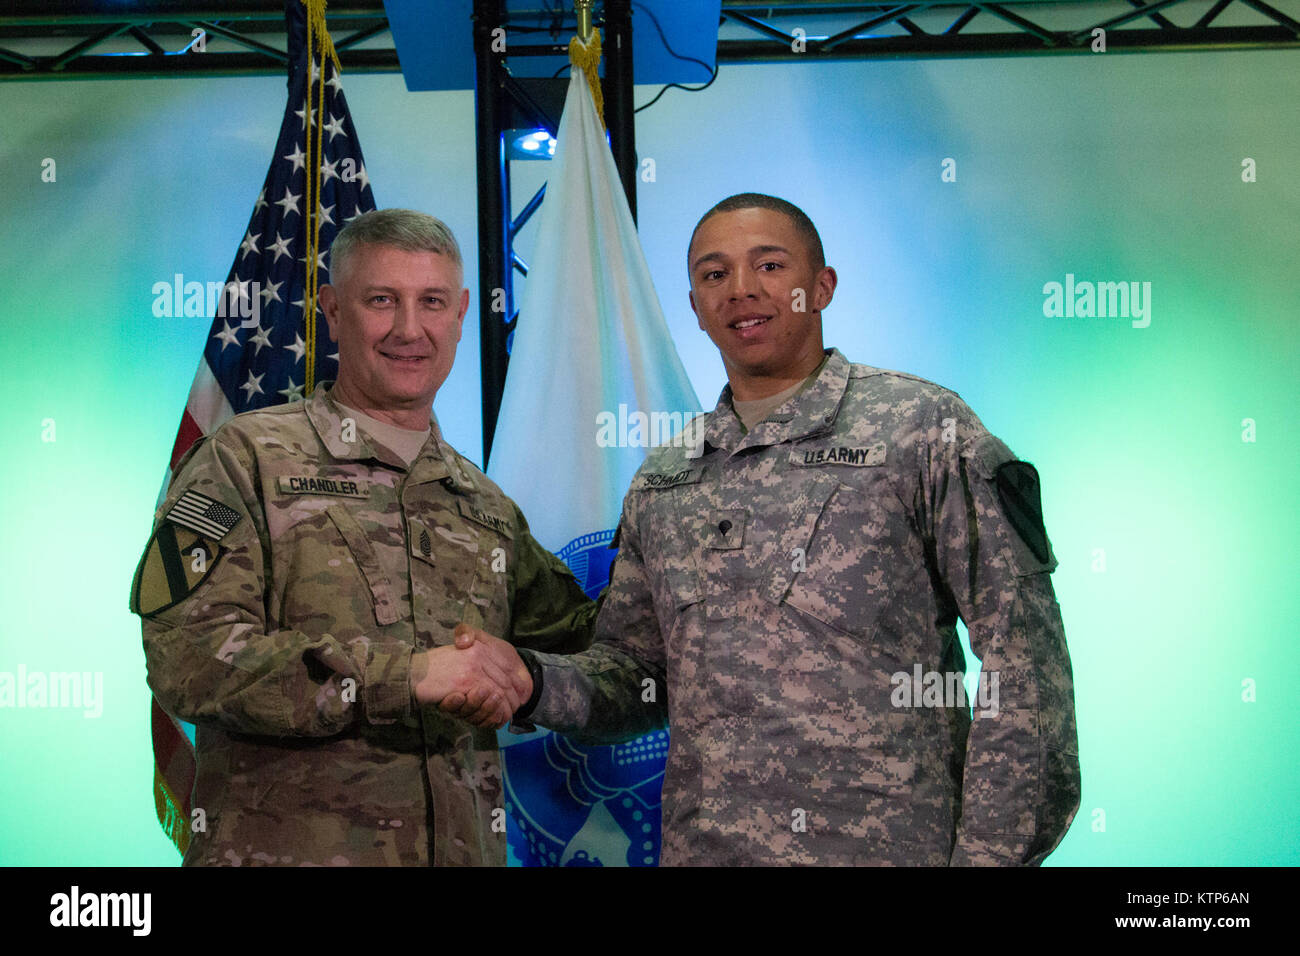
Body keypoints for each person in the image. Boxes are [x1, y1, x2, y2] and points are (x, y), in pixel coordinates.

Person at [453, 193, 1081, 866]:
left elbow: (1025, 662)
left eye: (770, 265)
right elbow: (640, 678)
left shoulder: (922, 429)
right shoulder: (667, 478)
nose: (742, 290)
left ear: (822, 286)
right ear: (694, 306)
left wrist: (990, 857)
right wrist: (533, 681)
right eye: (714, 274)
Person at [130, 208, 595, 866]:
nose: (410, 329)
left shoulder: (486, 509)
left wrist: (532, 678)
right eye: (382, 301)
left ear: (461, 313)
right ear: (332, 310)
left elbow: (601, 652)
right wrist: (405, 678)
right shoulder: (244, 460)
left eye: (432, 302)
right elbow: (189, 660)